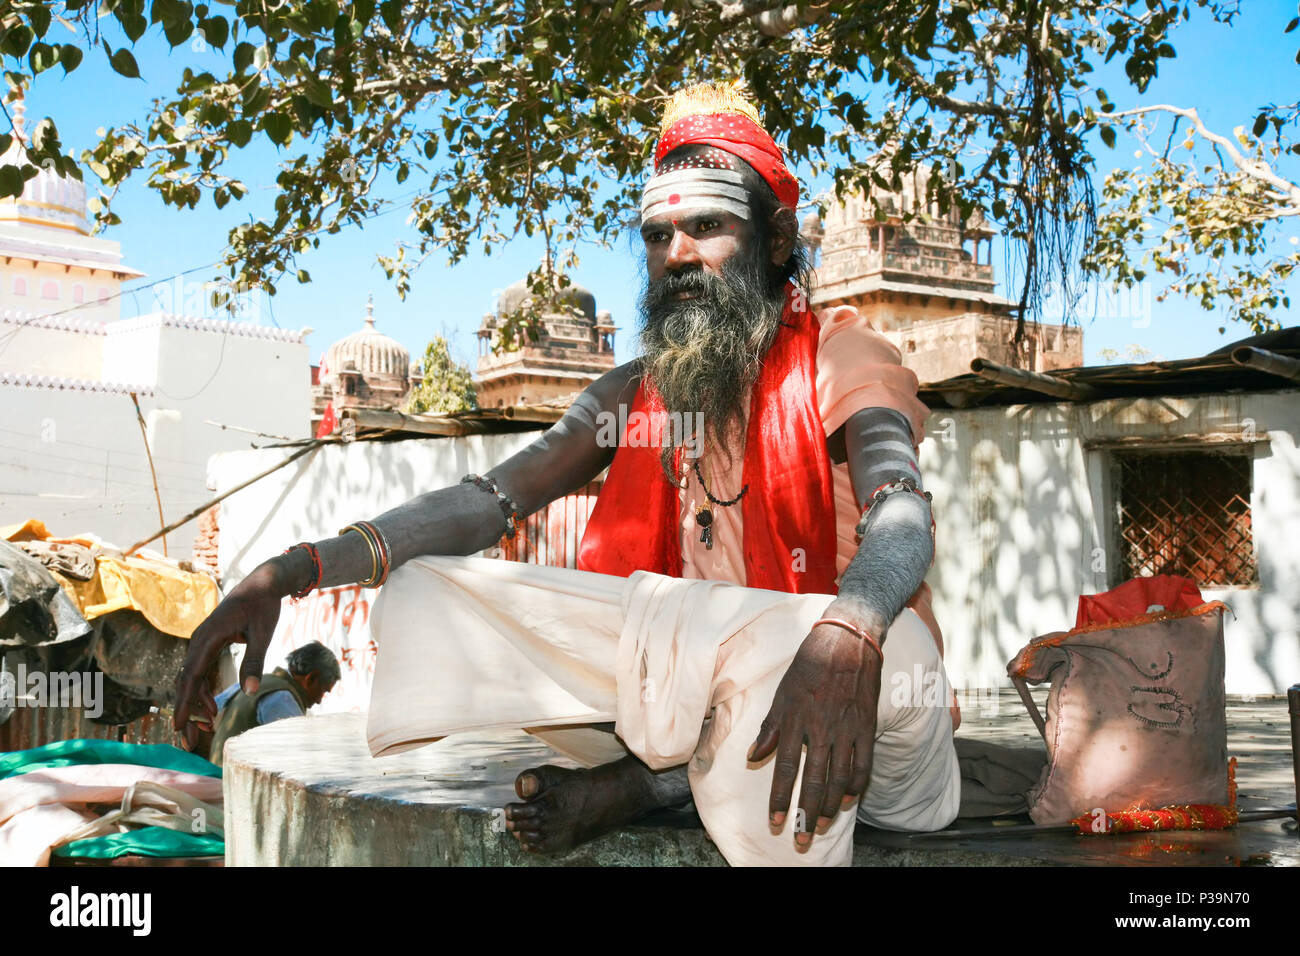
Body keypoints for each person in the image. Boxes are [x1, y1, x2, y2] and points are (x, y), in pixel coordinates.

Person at [176, 81, 960, 864]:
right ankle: (669, 769)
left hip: (864, 691)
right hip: (697, 693)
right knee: (427, 594)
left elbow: (902, 509)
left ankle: (651, 782)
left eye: (707, 227)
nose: (677, 255)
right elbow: (490, 502)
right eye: (658, 236)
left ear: (779, 239)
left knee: (809, 649)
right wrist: (292, 571)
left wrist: (851, 627)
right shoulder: (634, 393)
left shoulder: (839, 359)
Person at [206, 641, 340, 767]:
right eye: (323, 691)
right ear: (311, 678)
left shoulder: (258, 683)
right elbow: (296, 756)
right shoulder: (282, 699)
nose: (319, 700)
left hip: (220, 771)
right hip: (231, 783)